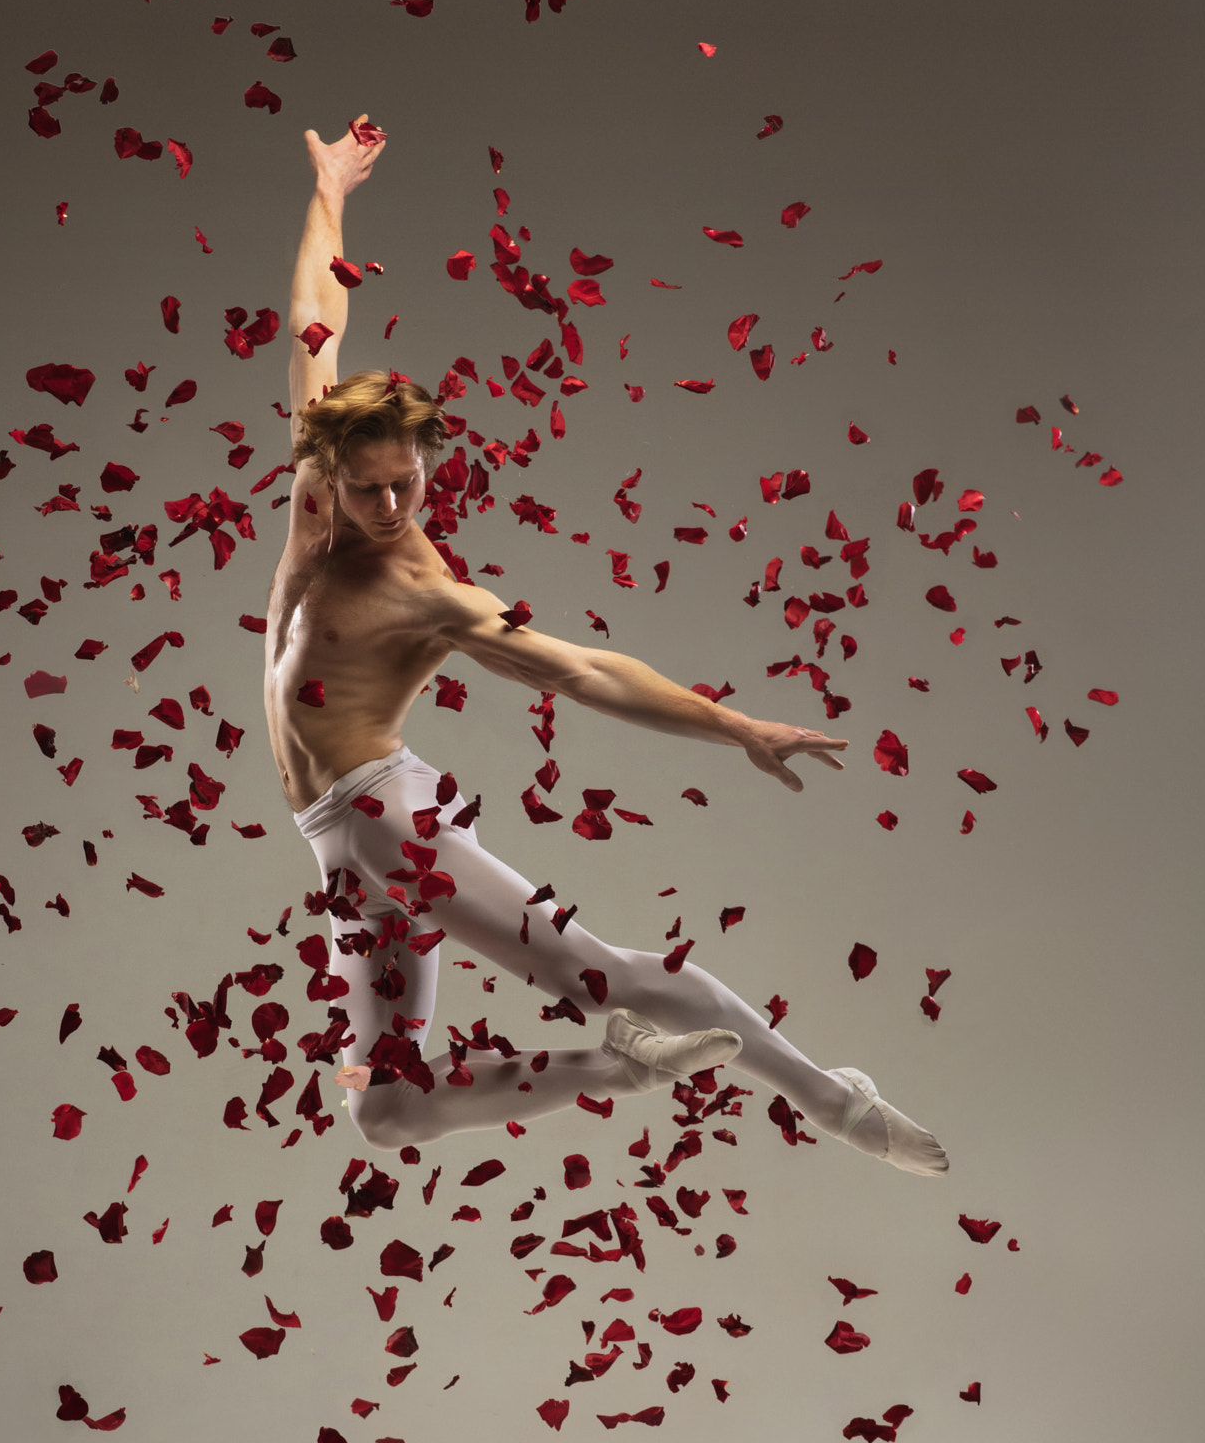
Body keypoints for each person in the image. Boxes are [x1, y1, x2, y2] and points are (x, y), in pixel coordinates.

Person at [261, 117, 947, 1174]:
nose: (395, 502)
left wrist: (734, 725)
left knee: (599, 971)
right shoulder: (316, 479)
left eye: (412, 480)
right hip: (334, 841)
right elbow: (315, 311)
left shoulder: (424, 592)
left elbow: (581, 669)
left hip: (381, 815)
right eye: (371, 485)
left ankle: (830, 1096)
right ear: (328, 464)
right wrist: (332, 193)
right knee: (388, 1109)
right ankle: (625, 1066)